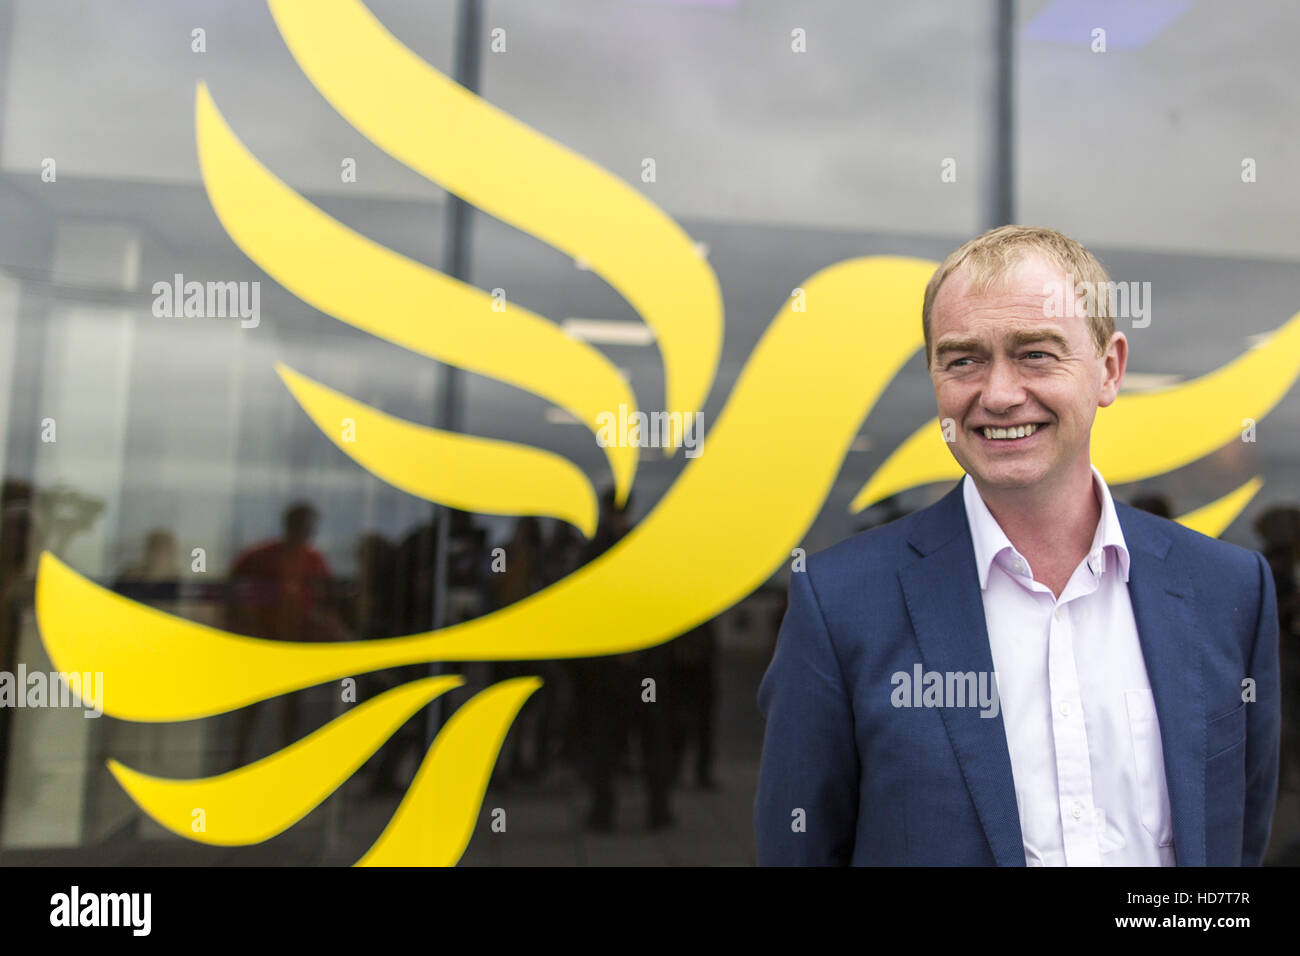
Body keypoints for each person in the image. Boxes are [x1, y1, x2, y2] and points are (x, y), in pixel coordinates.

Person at [754, 225, 1281, 866]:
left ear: (1109, 370)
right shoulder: (840, 606)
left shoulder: (1230, 591)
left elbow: (1238, 845)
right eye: (963, 359)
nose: (999, 395)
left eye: (1035, 353)